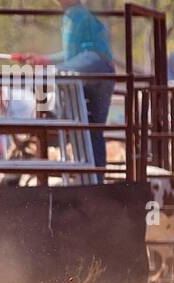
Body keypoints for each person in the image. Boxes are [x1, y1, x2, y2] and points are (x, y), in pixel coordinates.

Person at [12, 0, 115, 179]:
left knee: (57, 77)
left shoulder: (73, 17)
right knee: (94, 129)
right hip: (105, 70)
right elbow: (75, 57)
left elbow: (72, 58)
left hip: (92, 65)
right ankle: (97, 180)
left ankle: (53, 115)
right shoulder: (85, 16)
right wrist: (45, 60)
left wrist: (47, 65)